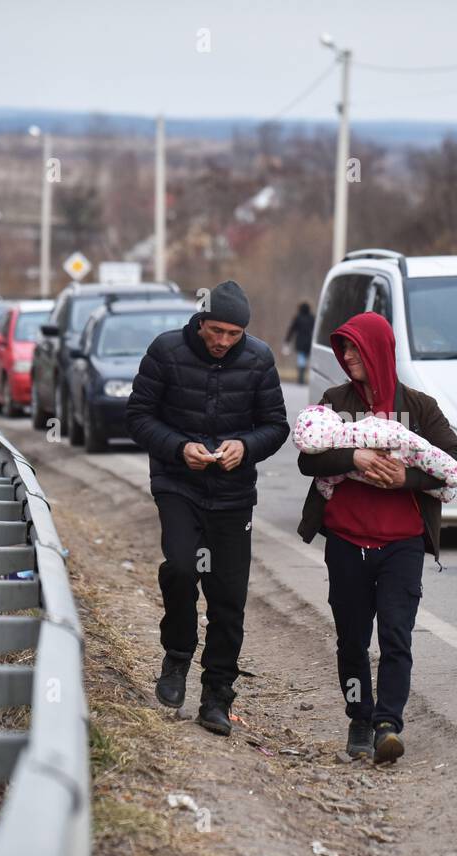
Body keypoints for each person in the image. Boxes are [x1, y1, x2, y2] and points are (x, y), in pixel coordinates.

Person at [295, 311, 457, 764]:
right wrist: (353, 454)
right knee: (352, 638)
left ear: (378, 350)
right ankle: (359, 717)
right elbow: (308, 462)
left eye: (354, 348)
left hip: (401, 545)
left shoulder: (420, 407)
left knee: (396, 636)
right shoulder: (335, 401)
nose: (347, 356)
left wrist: (404, 477)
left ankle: (388, 724)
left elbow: (455, 458)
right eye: (343, 348)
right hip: (348, 541)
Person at [125, 280, 289, 736]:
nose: (222, 342)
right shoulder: (166, 351)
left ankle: (217, 695)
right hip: (179, 484)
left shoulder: (258, 359)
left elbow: (276, 426)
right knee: (180, 568)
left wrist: (245, 446)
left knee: (228, 597)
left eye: (232, 334)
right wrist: (180, 449)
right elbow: (138, 417)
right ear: (201, 323)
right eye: (215, 330)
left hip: (234, 495)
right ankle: (176, 657)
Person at [284, 301, 315, 384]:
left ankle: (300, 379)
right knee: (307, 360)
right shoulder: (312, 317)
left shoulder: (298, 317)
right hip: (309, 341)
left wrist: (287, 341)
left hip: (300, 341)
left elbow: (291, 330)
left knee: (301, 360)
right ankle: (307, 378)